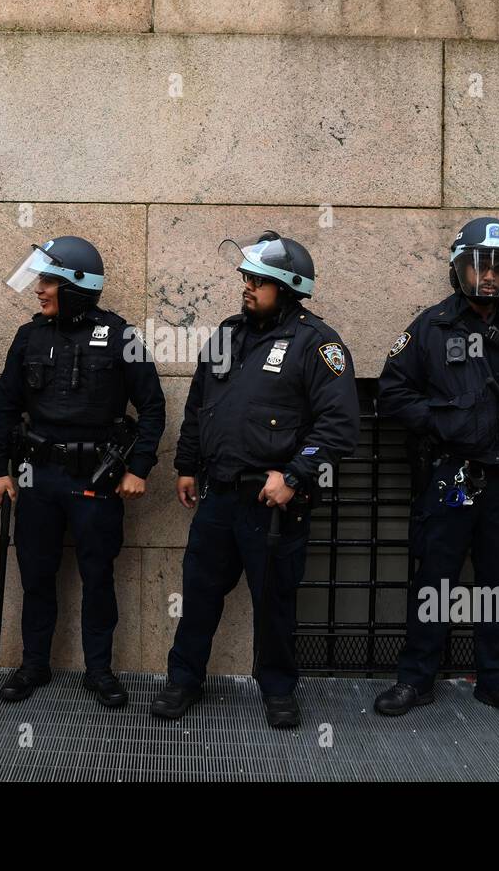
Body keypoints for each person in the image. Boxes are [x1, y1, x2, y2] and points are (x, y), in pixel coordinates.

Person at [150, 232, 359, 729]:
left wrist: (293, 474)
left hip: (273, 505)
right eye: (246, 277)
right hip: (218, 495)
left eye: (259, 280)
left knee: (275, 604)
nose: (247, 286)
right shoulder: (227, 334)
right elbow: (201, 405)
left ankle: (279, 689)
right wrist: (185, 464)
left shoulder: (318, 343)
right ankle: (184, 680)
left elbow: (339, 426)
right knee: (199, 594)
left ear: (286, 287)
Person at [371, 217, 499, 724]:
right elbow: (391, 393)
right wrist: (445, 423)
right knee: (434, 581)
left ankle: (496, 682)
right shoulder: (431, 326)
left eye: (498, 266)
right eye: (479, 264)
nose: (489, 274)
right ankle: (416, 680)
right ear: (458, 267)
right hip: (451, 477)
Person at [0, 237, 164, 707]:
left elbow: (153, 406)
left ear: (76, 286)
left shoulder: (121, 336)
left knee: (98, 576)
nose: (39, 289)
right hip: (37, 478)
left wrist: (139, 467)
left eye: (48, 281)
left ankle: (99, 670)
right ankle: (34, 665)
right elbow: (5, 406)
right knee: (37, 575)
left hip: (96, 480)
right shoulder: (29, 337)